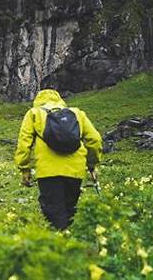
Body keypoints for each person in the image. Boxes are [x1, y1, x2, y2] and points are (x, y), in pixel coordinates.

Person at [14, 89, 102, 230]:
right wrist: (92, 166)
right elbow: (95, 140)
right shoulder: (77, 113)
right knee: (69, 211)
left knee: (54, 214)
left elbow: (24, 143)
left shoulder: (34, 113)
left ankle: (60, 245)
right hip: (75, 172)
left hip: (48, 172)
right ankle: (70, 242)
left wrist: (25, 169)